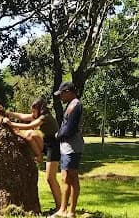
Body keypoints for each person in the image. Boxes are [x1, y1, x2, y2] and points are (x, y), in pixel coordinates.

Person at [3, 97, 62, 211]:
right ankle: (39, 156)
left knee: (50, 178)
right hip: (46, 145)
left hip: (54, 148)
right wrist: (8, 113)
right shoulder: (38, 115)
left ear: (40, 109)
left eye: (33, 111)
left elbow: (29, 125)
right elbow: (23, 116)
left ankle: (60, 207)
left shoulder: (45, 117)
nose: (31, 113)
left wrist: (11, 124)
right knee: (29, 135)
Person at [53, 81, 84, 218]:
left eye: (61, 94)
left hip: (72, 147)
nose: (60, 97)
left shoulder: (75, 104)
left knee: (72, 177)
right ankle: (63, 209)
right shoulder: (70, 105)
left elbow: (70, 128)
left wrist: (58, 134)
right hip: (67, 146)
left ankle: (71, 211)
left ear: (68, 92)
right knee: (65, 177)